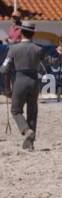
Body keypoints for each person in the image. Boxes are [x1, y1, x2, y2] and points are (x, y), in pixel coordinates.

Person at [1, 20, 50, 150]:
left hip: (20, 81)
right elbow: (52, 63)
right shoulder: (39, 49)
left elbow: (4, 69)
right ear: (33, 34)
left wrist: (7, 88)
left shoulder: (13, 48)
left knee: (16, 110)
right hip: (34, 82)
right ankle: (30, 144)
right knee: (32, 112)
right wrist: (61, 54)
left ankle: (26, 130)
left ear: (21, 32)